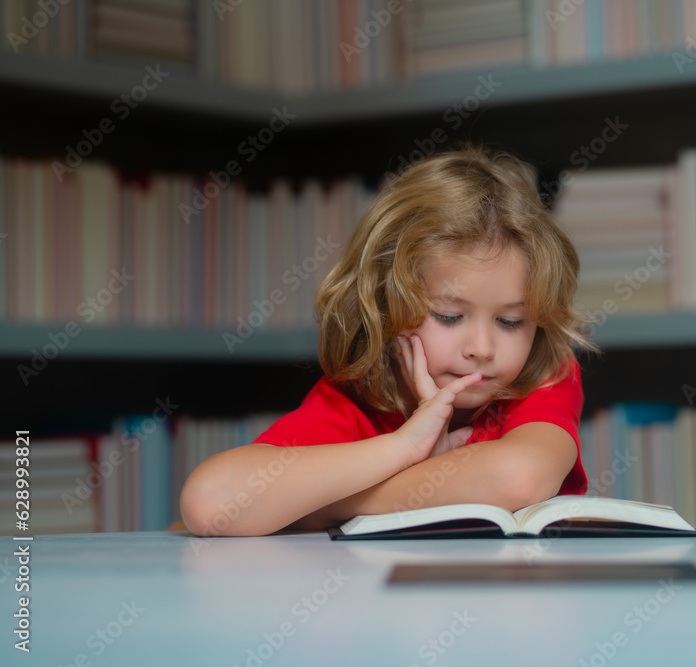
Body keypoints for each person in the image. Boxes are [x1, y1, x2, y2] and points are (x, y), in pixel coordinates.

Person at [180, 145, 596, 537]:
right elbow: (210, 500)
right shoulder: (358, 396)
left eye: (511, 321)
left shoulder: (544, 375)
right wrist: (403, 447)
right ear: (384, 306)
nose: (482, 348)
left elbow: (518, 477)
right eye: (449, 316)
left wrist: (325, 505)